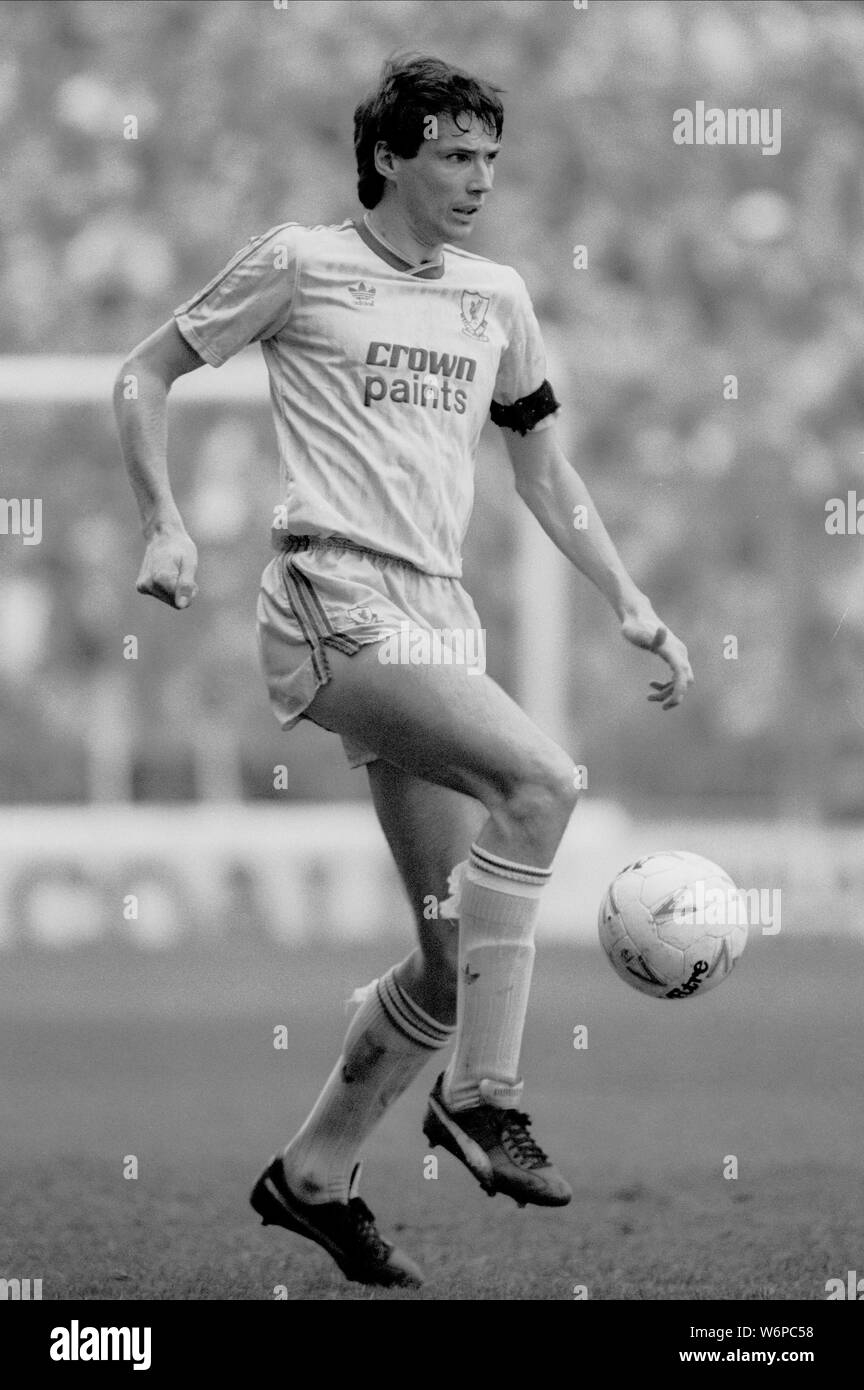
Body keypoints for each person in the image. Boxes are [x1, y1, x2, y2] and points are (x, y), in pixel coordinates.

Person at [114, 53, 693, 1290]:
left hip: (438, 616)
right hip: (329, 593)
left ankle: (312, 1175)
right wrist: (166, 520)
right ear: (388, 157)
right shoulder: (299, 262)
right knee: (543, 782)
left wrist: (632, 601)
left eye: (491, 157)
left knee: (444, 955)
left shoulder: (497, 298)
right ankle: (482, 1099)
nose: (480, 179)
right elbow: (142, 374)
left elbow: (545, 472)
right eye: (454, 156)